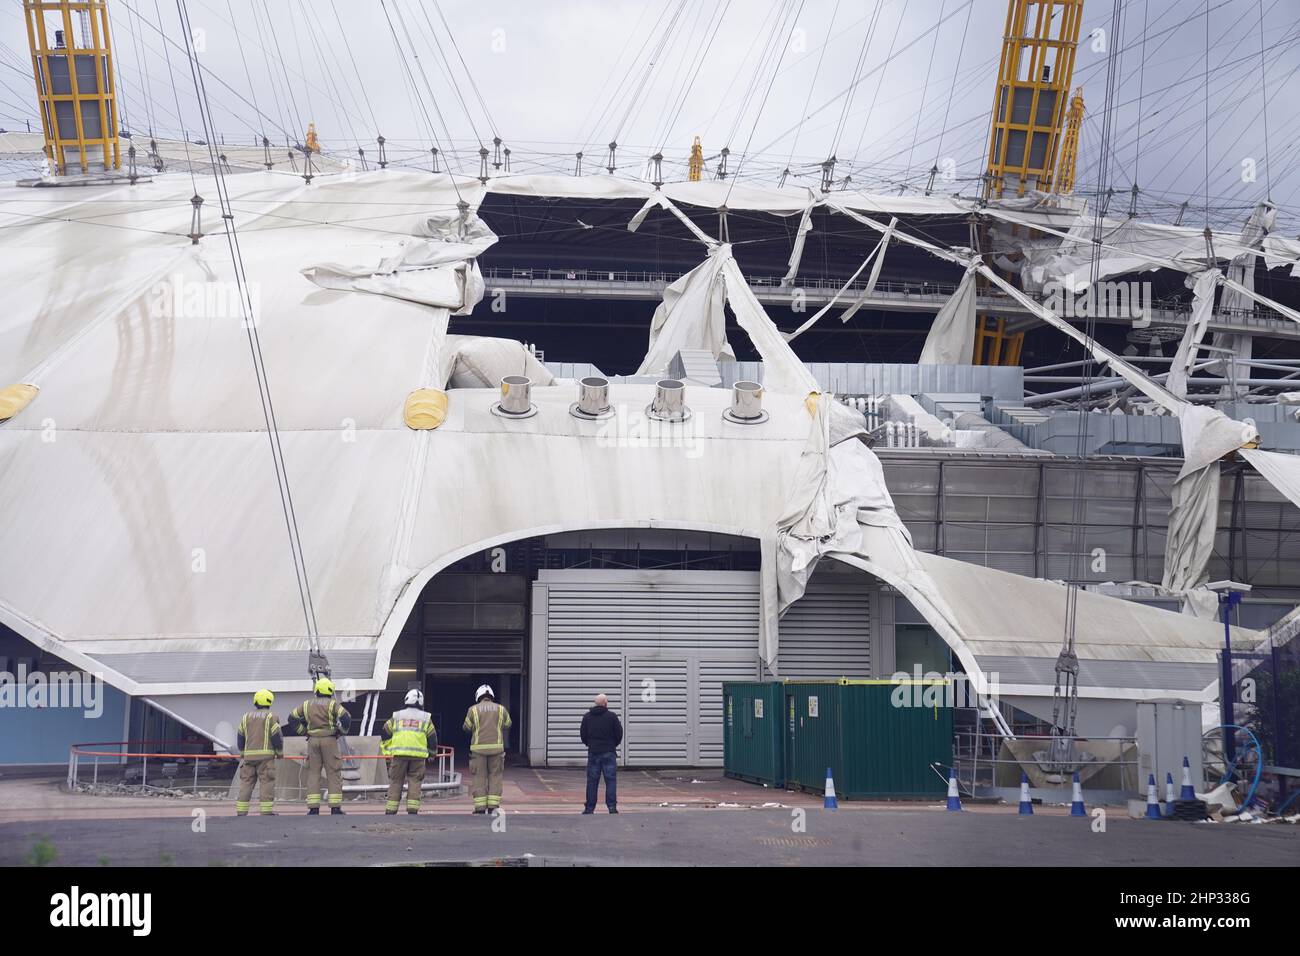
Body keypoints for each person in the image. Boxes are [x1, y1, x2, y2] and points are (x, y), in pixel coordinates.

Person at [288, 677, 352, 815]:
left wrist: (303, 732)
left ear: (316, 690)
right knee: (333, 773)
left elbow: (292, 718)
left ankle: (313, 808)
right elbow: (346, 717)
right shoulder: (333, 704)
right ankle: (335, 808)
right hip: (329, 740)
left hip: (313, 741)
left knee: (313, 773)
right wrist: (342, 731)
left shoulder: (306, 704)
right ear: (330, 690)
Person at [380, 689, 437, 815]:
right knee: (415, 781)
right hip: (418, 757)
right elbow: (432, 737)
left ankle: (391, 810)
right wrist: (432, 753)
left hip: (399, 755)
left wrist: (388, 747)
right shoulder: (426, 718)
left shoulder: (397, 716)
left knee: (396, 781)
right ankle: (412, 810)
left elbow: (384, 731)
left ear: (406, 699)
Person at [462, 684, 511, 814]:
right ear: (491, 696)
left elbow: (466, 727)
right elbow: (508, 724)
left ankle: (480, 808)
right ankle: (493, 807)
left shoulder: (472, 710)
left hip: (478, 750)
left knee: (479, 777)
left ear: (478, 696)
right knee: (495, 776)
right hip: (497, 749)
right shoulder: (501, 709)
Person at [235, 689, 283, 817]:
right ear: (270, 701)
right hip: (266, 758)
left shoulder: (246, 717)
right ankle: (266, 811)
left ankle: (241, 811)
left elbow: (240, 736)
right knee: (266, 782)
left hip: (248, 757)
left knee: (246, 783)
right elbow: (276, 736)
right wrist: (279, 751)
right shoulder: (272, 716)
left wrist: (242, 752)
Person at [579, 693, 623, 814]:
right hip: (609, 752)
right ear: (605, 703)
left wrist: (590, 744)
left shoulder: (587, 717)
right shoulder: (612, 717)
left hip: (593, 752)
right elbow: (619, 734)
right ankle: (612, 807)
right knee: (611, 781)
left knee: (592, 781)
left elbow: (583, 735)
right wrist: (612, 745)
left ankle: (589, 808)